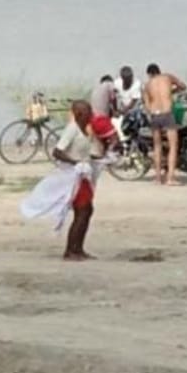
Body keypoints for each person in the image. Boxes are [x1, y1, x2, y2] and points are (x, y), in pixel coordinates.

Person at [51, 102, 111, 261]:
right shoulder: (72, 129)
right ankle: (70, 250)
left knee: (87, 211)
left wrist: (103, 159)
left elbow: (86, 153)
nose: (90, 115)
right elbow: (57, 152)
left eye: (90, 111)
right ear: (78, 114)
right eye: (86, 112)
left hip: (84, 175)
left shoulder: (85, 130)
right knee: (82, 211)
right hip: (74, 176)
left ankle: (78, 248)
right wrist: (75, 162)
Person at [143, 63, 187, 185]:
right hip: (167, 114)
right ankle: (170, 178)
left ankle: (157, 178)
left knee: (157, 147)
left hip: (155, 116)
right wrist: (172, 91)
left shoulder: (147, 85)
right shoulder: (167, 77)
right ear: (159, 71)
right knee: (173, 146)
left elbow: (147, 106)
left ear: (149, 74)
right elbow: (183, 86)